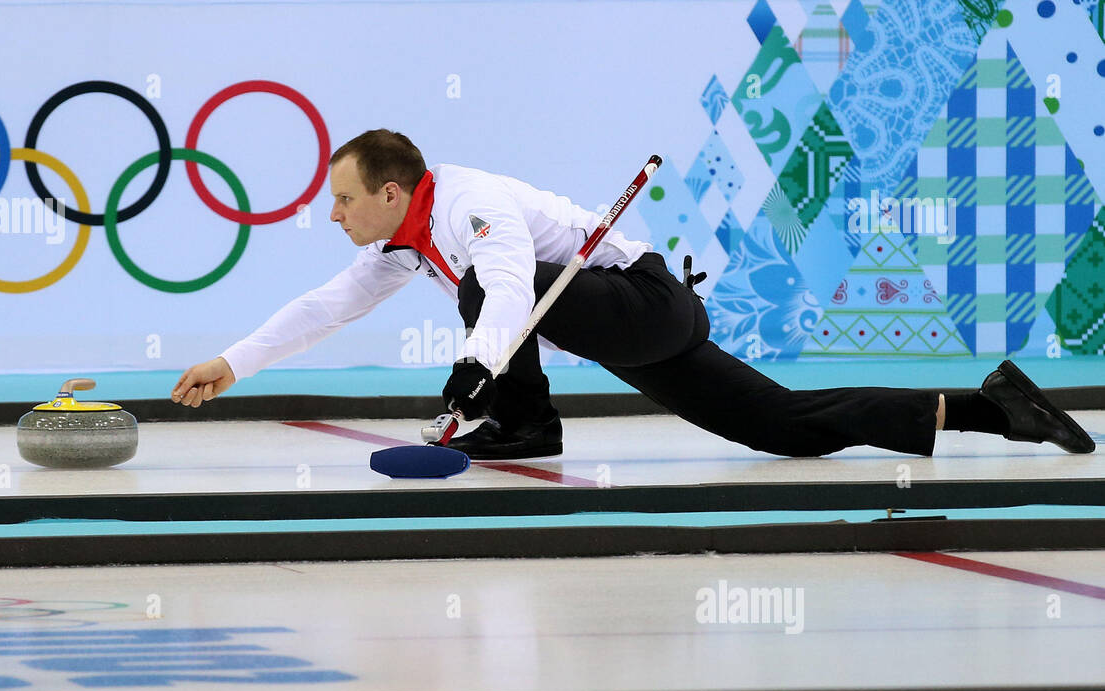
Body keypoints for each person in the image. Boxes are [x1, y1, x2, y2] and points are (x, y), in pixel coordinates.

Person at [171, 129, 1095, 460]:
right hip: (624, 323)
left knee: (504, 289)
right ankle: (992, 408)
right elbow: (325, 306)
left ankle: (530, 424)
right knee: (781, 426)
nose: (331, 214)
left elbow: (503, 295)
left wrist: (472, 379)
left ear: (390, 190)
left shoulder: (468, 204)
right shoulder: (405, 243)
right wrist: (231, 363)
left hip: (642, 299)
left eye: (342, 199)